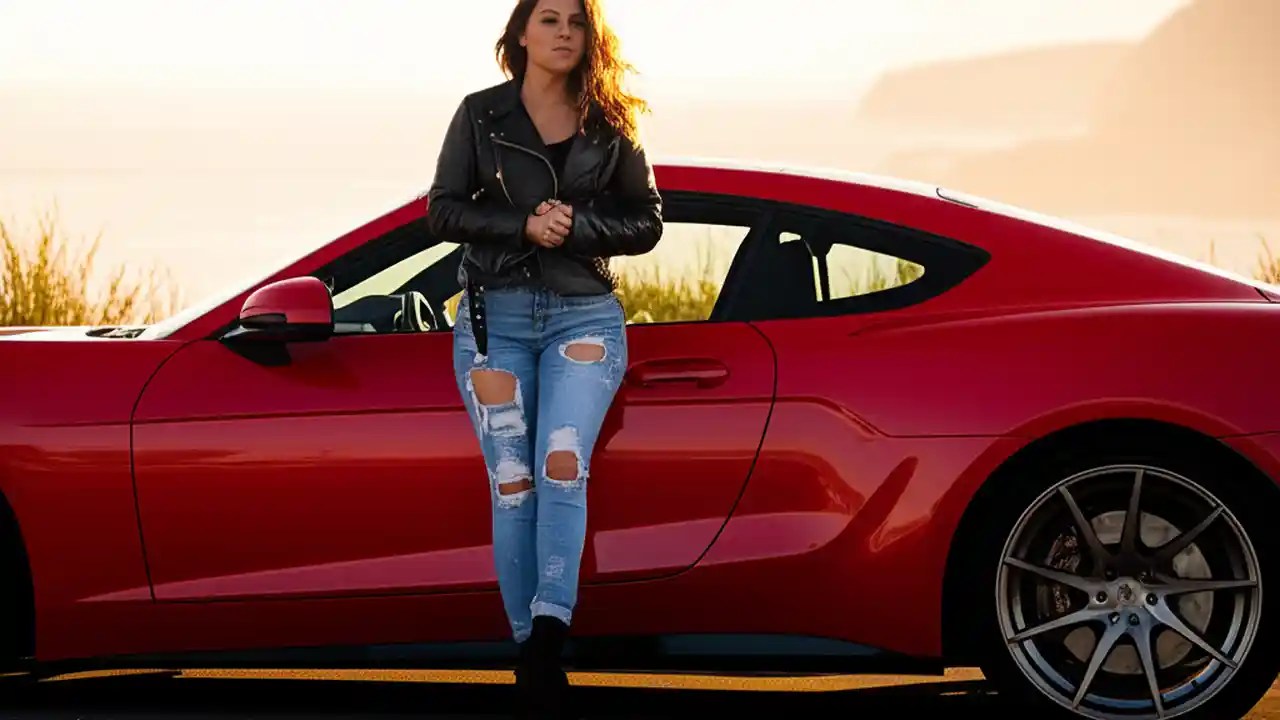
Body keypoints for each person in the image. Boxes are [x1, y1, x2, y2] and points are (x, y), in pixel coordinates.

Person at [425, 0, 662, 716]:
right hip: (494, 319)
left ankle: (548, 633)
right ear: (521, 34)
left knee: (564, 465)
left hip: (582, 317)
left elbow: (647, 220)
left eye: (577, 22)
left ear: (591, 37)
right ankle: (531, 648)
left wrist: (579, 228)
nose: (565, 33)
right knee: (514, 482)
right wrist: (523, 225)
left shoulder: (610, 120)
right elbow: (441, 211)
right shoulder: (479, 115)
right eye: (550, 19)